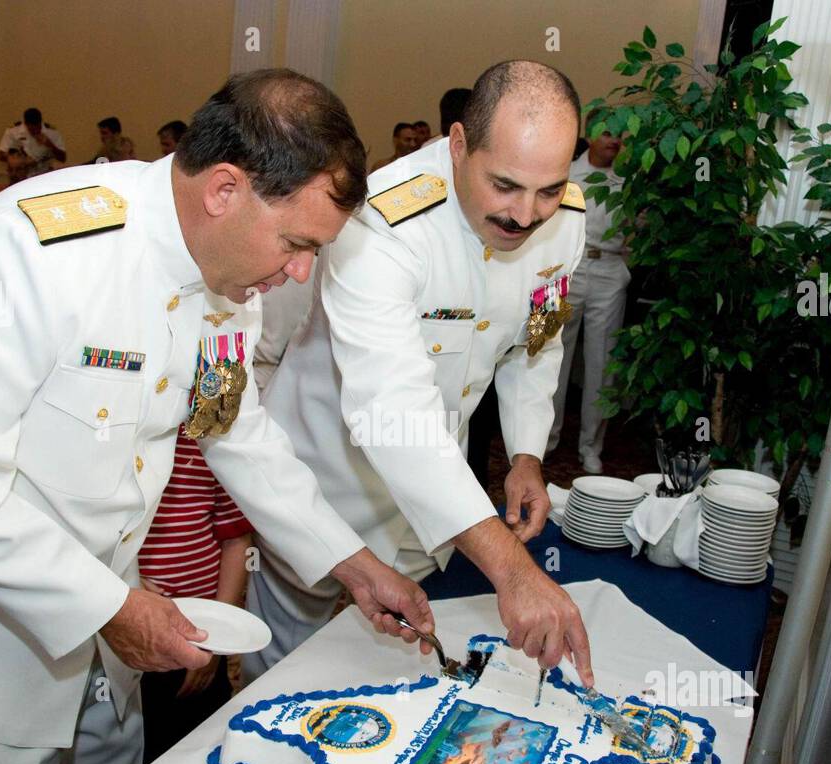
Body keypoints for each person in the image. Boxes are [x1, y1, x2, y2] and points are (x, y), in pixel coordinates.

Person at [0, 67, 434, 764]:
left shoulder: (232, 287)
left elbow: (233, 428)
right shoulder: (30, 250)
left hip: (117, 629)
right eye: (299, 243)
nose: (301, 272)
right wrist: (109, 606)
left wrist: (354, 561)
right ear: (225, 190)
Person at [252, 61, 596, 685]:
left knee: (390, 668)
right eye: (506, 186)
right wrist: (513, 572)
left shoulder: (564, 221)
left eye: (548, 190)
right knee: (286, 672)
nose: (526, 215)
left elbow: (537, 344)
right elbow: (394, 411)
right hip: (321, 481)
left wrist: (525, 453)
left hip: (435, 498)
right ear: (458, 144)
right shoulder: (382, 223)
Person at [138, 427, 252, 764]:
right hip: (136, 629)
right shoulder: (121, 448)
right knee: (142, 745)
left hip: (200, 631)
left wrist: (216, 637)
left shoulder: (212, 446)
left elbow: (237, 541)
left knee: (201, 744)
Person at [548, 113, 630, 473]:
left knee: (602, 362)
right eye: (609, 133)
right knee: (550, 356)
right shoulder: (565, 174)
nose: (615, 140)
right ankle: (543, 441)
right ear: (591, 135)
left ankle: (590, 447)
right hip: (568, 269)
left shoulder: (627, 181)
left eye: (620, 135)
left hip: (610, 270)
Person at [0, 107, 66, 181]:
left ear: (40, 122)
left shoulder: (52, 133)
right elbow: (1, 155)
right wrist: (17, 158)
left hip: (43, 175)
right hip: (20, 176)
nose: (35, 131)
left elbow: (62, 158)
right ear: (26, 124)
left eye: (38, 128)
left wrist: (50, 145)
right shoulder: (13, 132)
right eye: (32, 129)